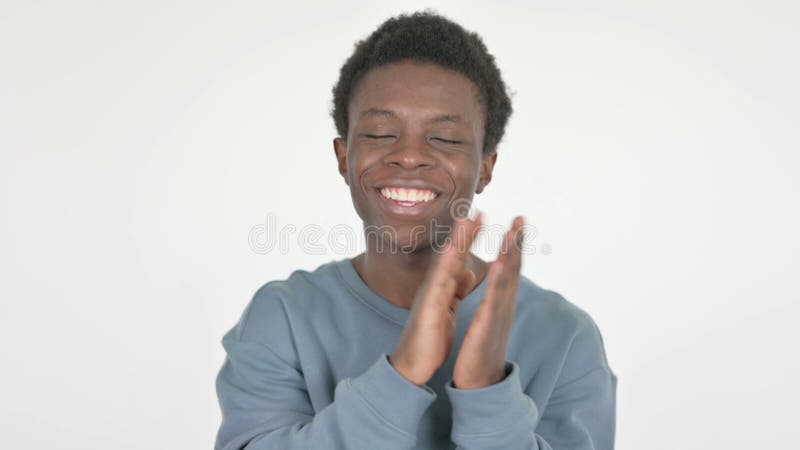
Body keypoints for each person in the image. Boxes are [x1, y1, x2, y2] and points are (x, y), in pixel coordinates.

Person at [214, 9, 617, 450]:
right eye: (381, 133)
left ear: (485, 167)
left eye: (445, 139)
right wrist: (402, 372)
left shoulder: (565, 337)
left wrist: (487, 393)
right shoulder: (282, 319)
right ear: (343, 157)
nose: (408, 156)